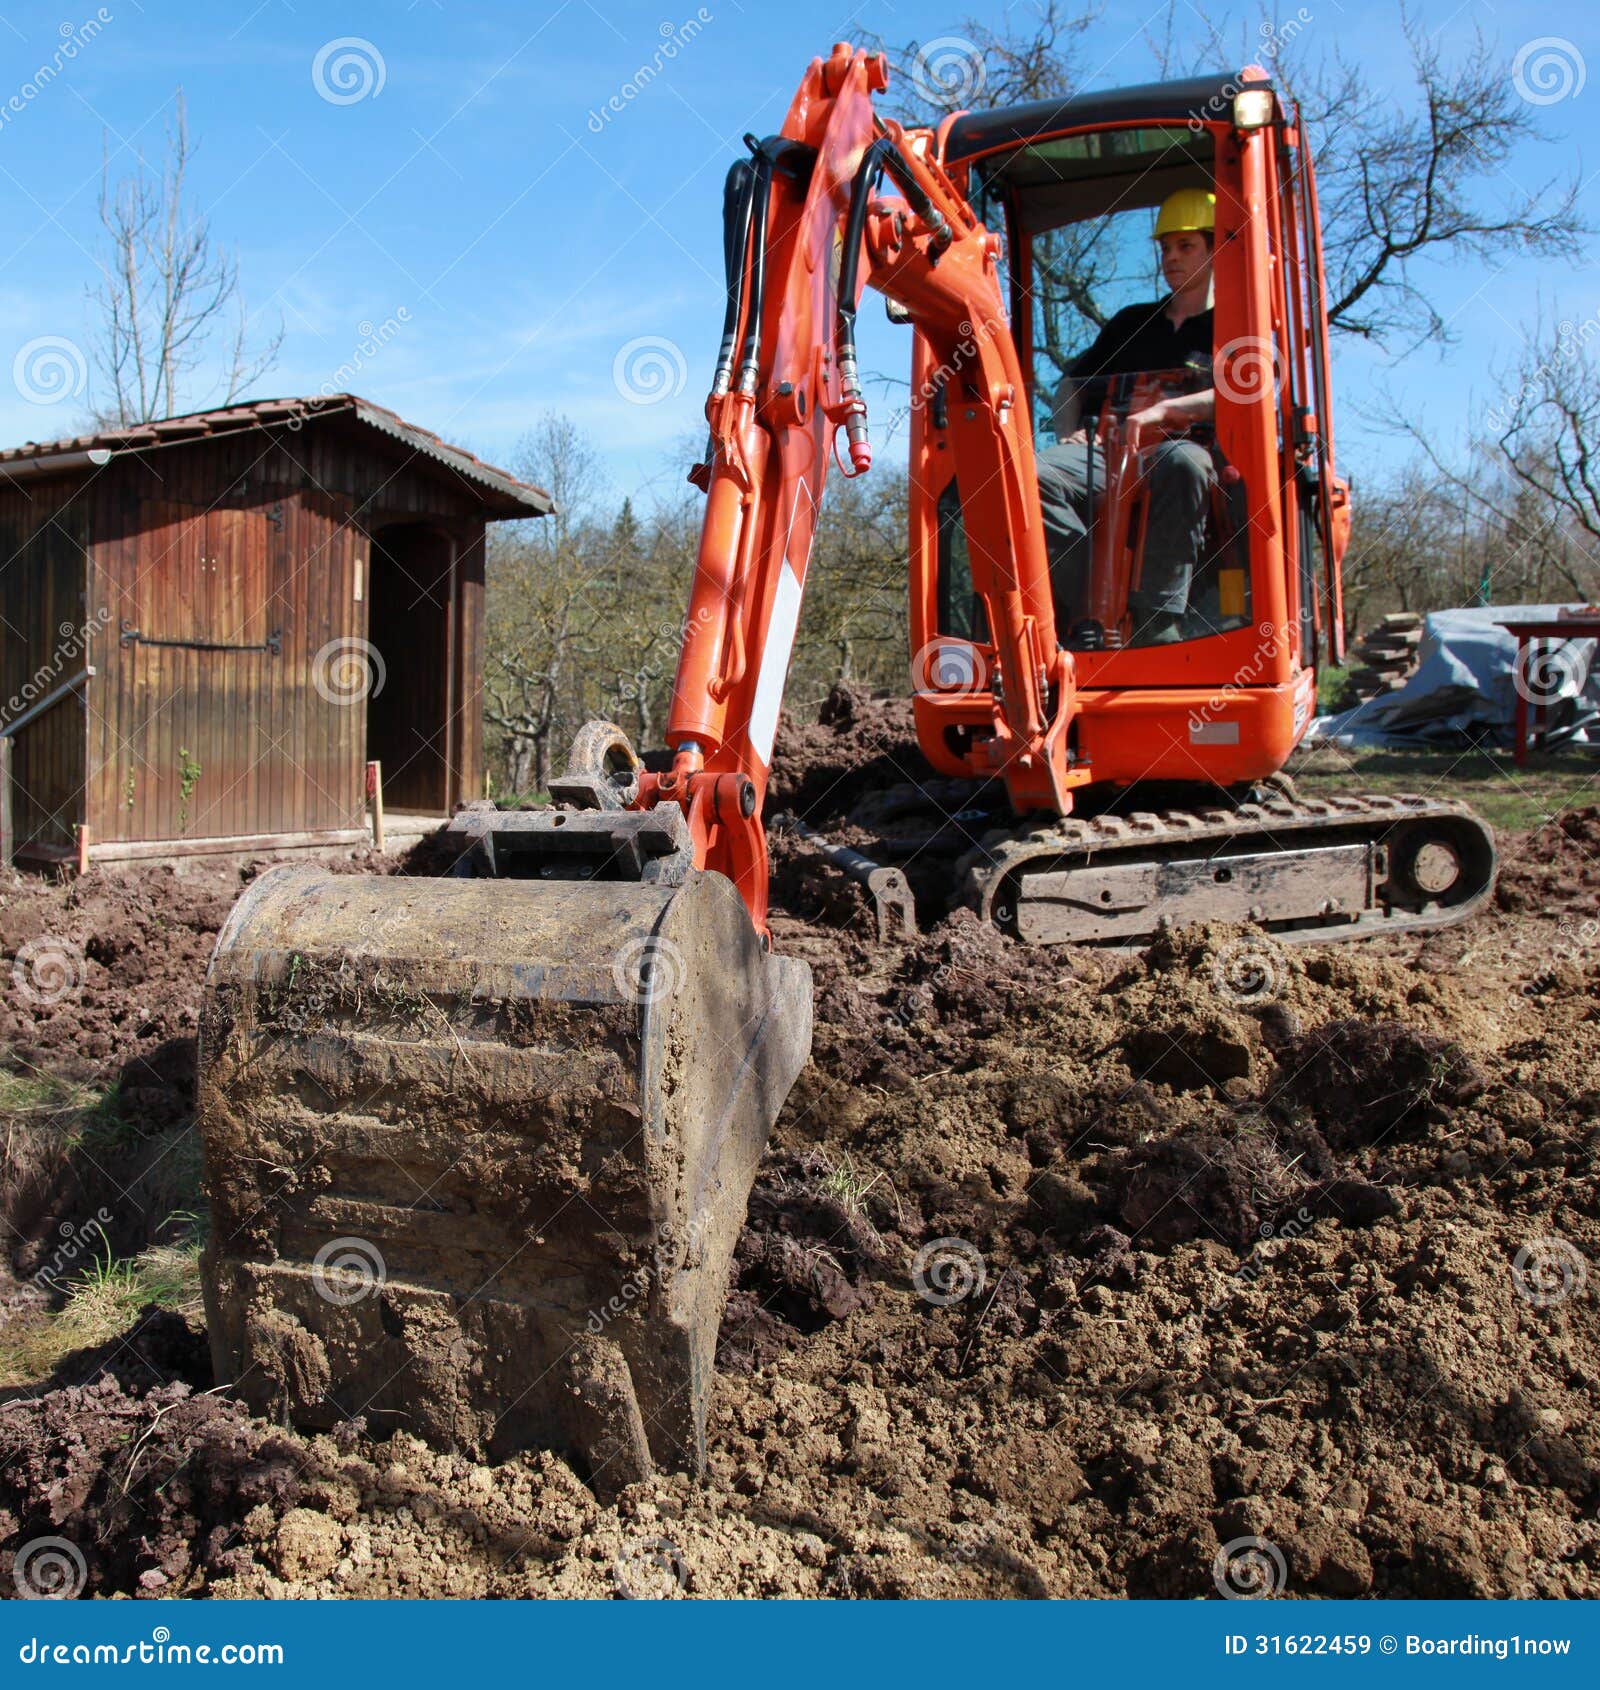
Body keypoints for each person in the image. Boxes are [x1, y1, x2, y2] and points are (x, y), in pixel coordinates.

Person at [1037, 187, 1220, 646]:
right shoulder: (1131, 322)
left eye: (1185, 246)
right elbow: (1069, 386)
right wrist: (1069, 433)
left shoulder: (1233, 325)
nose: (1171, 259)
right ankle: (1088, 614)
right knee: (1031, 475)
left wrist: (1165, 410)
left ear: (1215, 249)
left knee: (1185, 462)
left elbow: (1241, 396)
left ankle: (1156, 619)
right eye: (1164, 248)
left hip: (1176, 452)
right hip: (1109, 451)